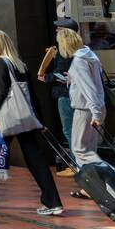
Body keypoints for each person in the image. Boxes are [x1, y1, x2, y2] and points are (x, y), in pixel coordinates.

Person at [0, 30, 64, 215]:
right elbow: (32, 95)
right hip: (25, 118)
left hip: (8, 118)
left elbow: (1, 92)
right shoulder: (19, 64)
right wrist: (39, 120)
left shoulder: (1, 62)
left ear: (0, 45)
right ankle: (53, 201)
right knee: (34, 159)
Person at [59, 25, 107, 199]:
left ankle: (114, 173)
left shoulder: (78, 62)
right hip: (97, 106)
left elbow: (89, 89)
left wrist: (95, 114)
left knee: (79, 150)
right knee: (90, 148)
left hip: (85, 109)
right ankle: (91, 187)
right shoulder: (90, 55)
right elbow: (95, 84)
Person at [38, 17, 79, 177]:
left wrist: (46, 77)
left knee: (69, 131)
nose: (56, 31)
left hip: (66, 95)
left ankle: (76, 165)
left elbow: (63, 76)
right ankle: (77, 164)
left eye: (59, 28)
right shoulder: (77, 49)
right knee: (76, 131)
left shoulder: (65, 52)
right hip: (75, 96)